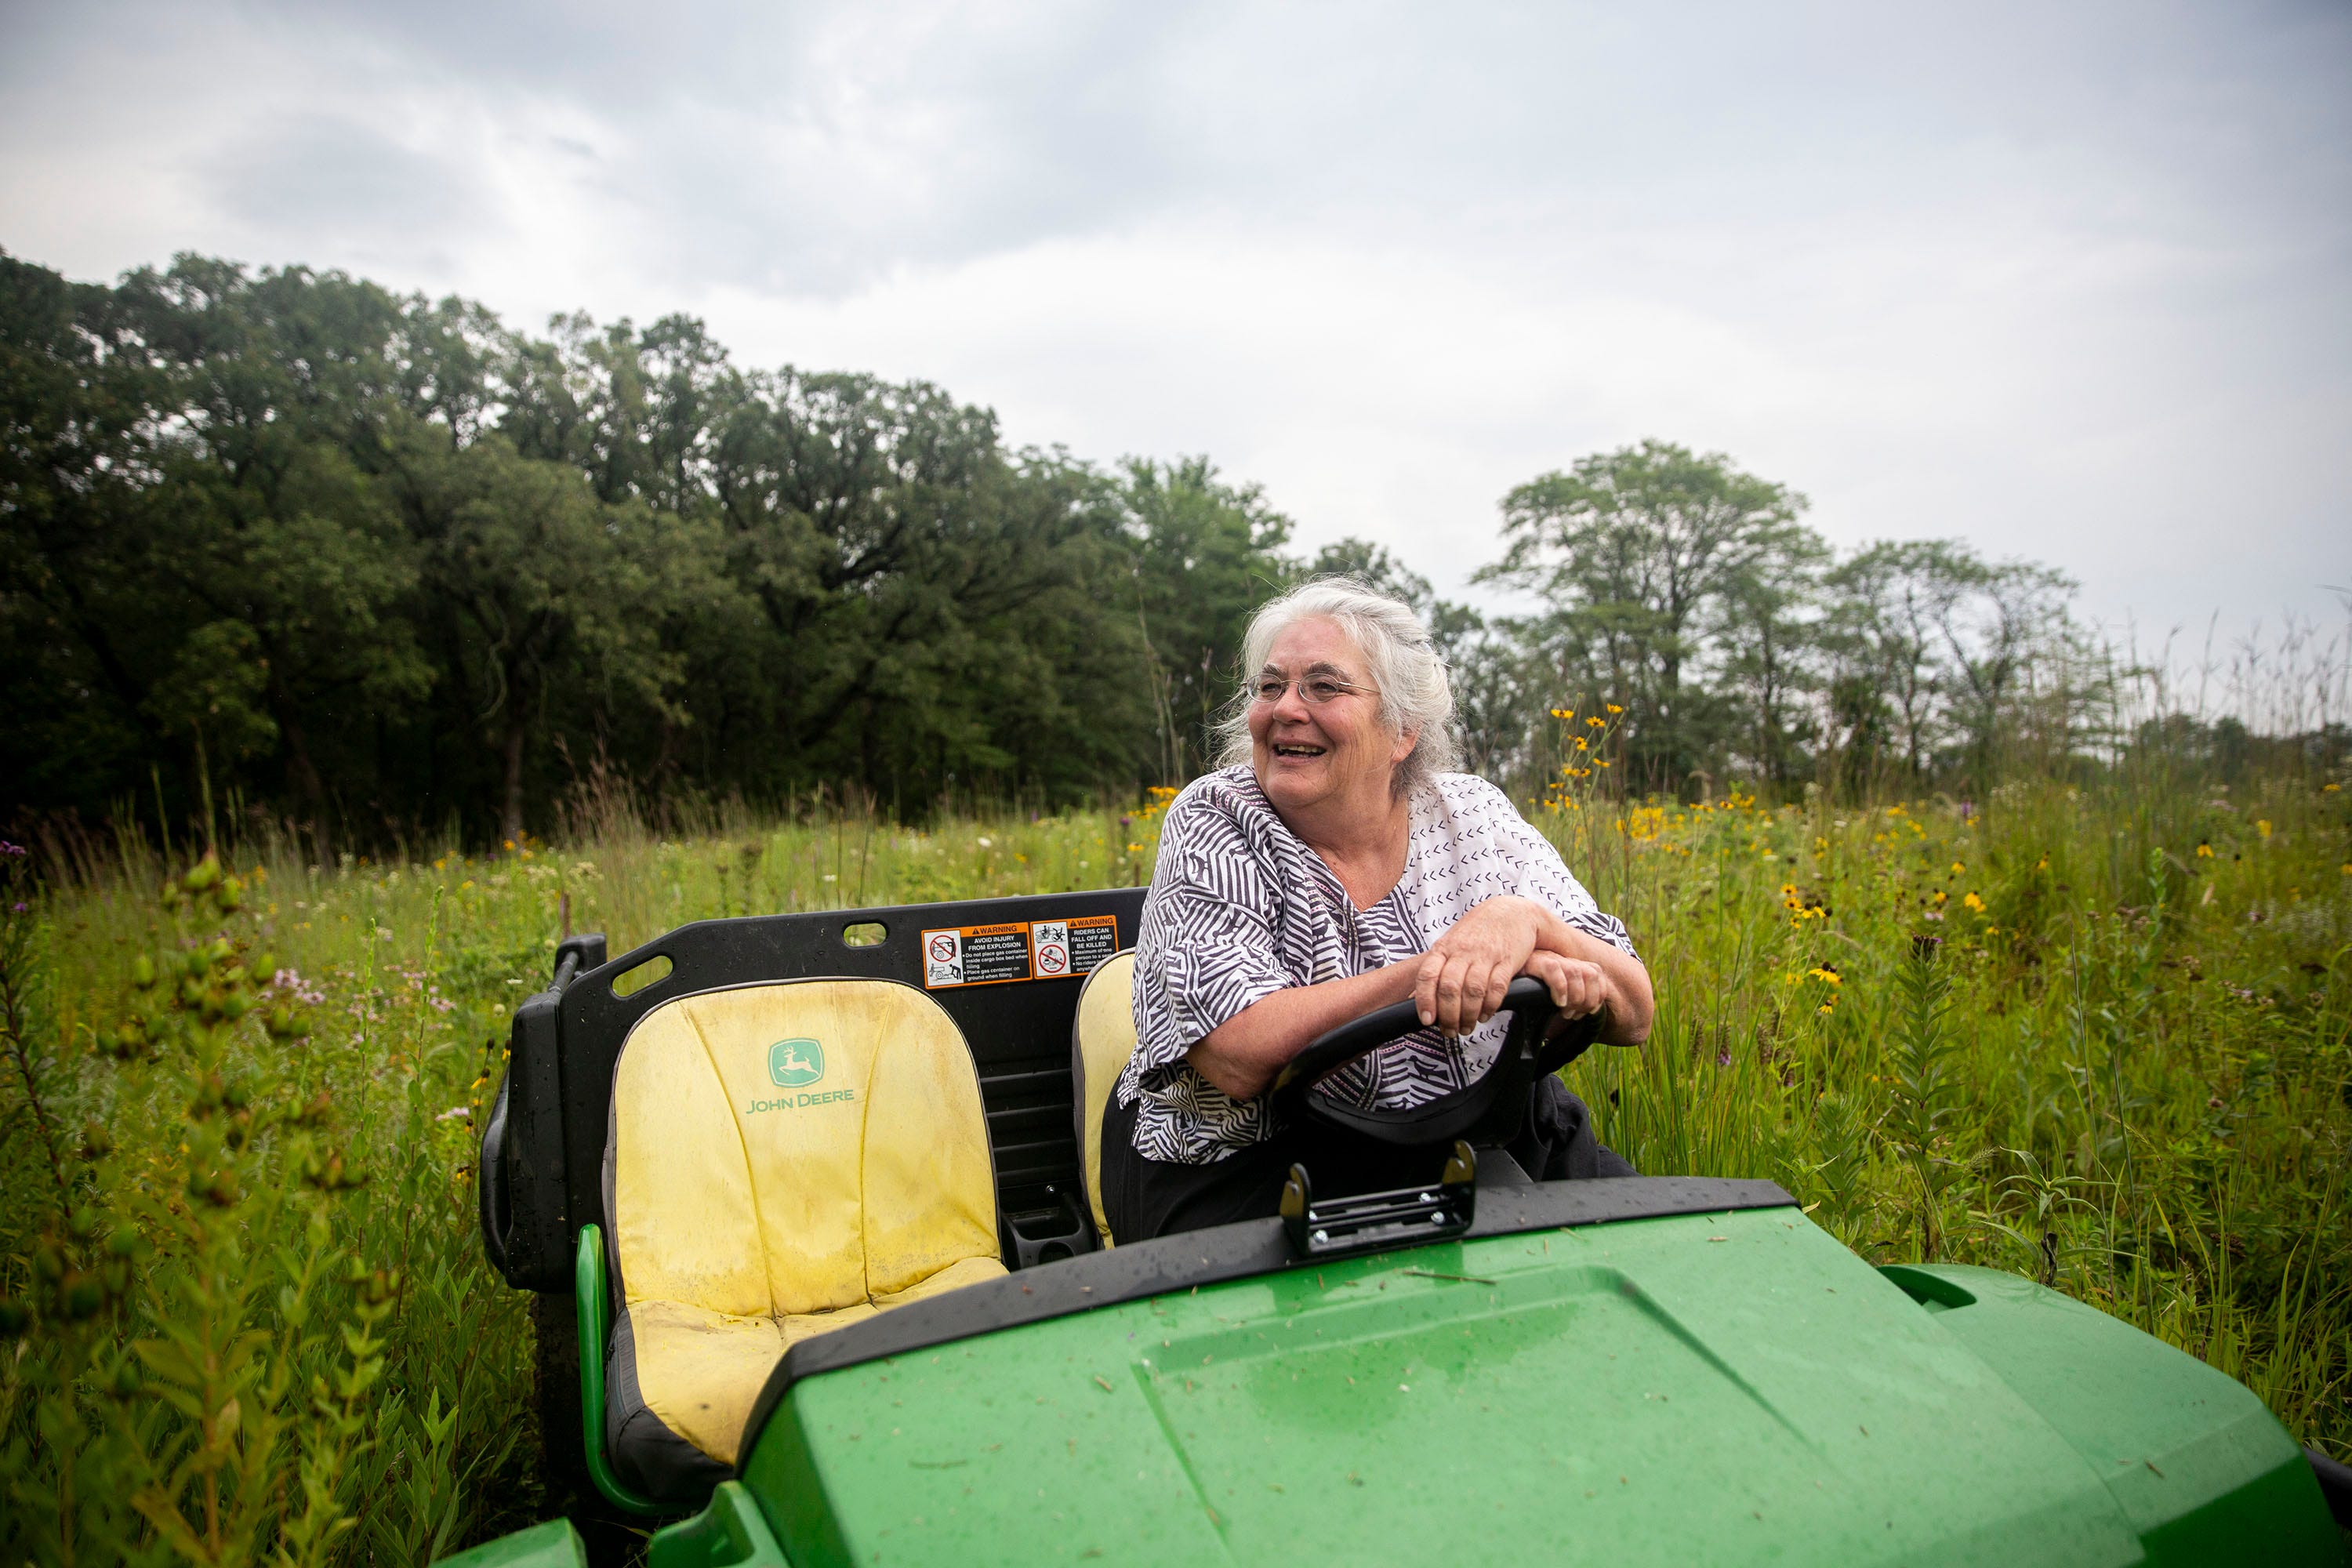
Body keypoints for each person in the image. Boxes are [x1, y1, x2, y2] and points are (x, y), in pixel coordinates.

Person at [1102, 578, 1655, 1243]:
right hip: (1252, 1168)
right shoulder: (1216, 818)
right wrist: (1445, 968)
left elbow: (1635, 1012)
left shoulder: (1473, 813)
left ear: (1401, 732)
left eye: (1324, 687)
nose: (1285, 709)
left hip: (1481, 1139)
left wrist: (1527, 927)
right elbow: (1237, 1055)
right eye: (1270, 686)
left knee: (1649, 1266)